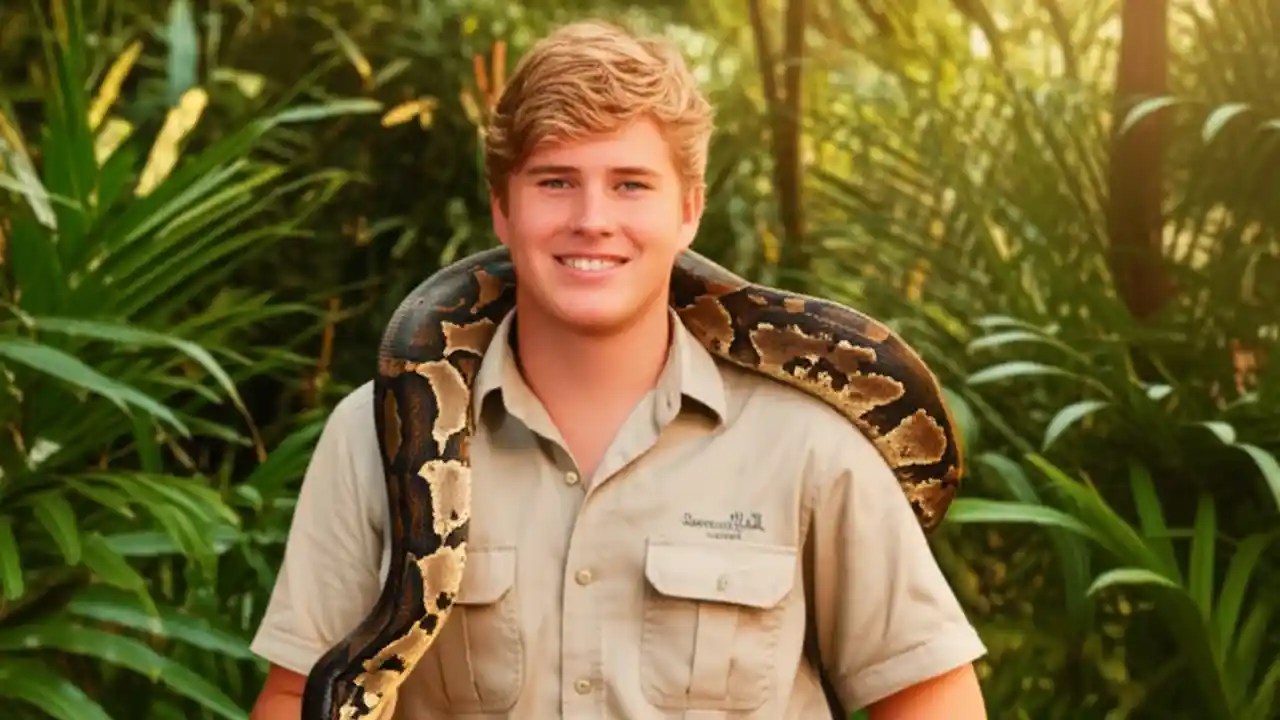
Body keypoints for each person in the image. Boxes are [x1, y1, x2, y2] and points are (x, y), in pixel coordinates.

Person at [248, 18, 988, 720]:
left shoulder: (811, 449)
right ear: (502, 210)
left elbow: (931, 698)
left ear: (689, 211)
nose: (592, 218)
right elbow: (299, 692)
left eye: (631, 184)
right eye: (555, 182)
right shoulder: (368, 436)